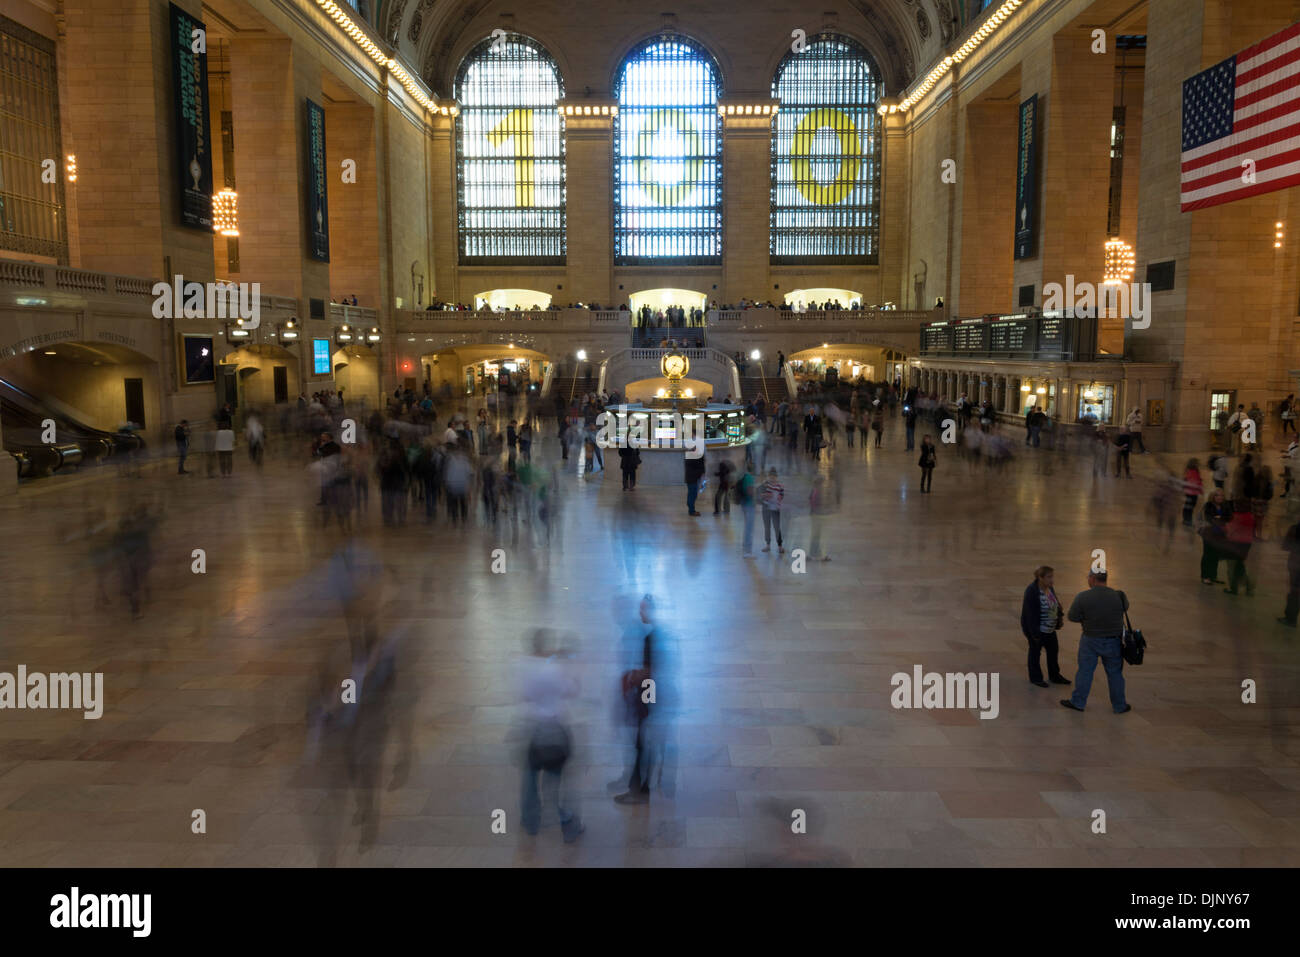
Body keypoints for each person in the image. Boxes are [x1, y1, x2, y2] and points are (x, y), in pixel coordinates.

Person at [518, 628, 583, 842]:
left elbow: (525, 695)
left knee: (530, 776)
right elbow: (572, 690)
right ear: (546, 647)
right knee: (560, 780)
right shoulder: (554, 670)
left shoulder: (526, 667)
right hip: (556, 731)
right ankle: (568, 824)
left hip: (535, 731)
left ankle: (530, 821)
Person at [1060, 570, 1132, 714]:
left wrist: (1086, 618)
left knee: (1085, 672)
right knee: (1115, 674)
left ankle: (1078, 702)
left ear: (1093, 579)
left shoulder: (1083, 597)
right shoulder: (1119, 595)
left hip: (1090, 640)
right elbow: (1125, 608)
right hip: (1113, 641)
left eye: (1088, 578)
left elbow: (1072, 617)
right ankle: (1120, 705)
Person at [1019, 566, 1069, 688]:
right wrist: (1034, 634)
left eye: (1052, 576)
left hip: (1050, 629)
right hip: (1038, 630)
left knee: (1053, 653)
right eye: (1049, 577)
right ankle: (1036, 678)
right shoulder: (1032, 591)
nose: (1052, 580)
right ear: (1040, 578)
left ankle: (1054, 675)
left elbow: (1055, 604)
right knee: (1035, 654)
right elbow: (1029, 614)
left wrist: (1059, 616)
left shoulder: (1049, 588)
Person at [1221, 504, 1256, 596]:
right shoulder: (1250, 516)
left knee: (1232, 567)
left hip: (1234, 544)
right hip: (1246, 545)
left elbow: (1229, 531)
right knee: (1239, 566)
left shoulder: (1237, 516)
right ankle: (1248, 586)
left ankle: (1234, 588)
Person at [1199, 489, 1231, 585]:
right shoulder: (1208, 505)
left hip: (1220, 534)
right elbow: (1209, 518)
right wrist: (1220, 519)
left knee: (1216, 555)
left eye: (1221, 495)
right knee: (1208, 555)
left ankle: (1213, 576)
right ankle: (1205, 576)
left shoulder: (1225, 506)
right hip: (1209, 533)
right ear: (1213, 496)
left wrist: (1219, 518)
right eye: (1217, 495)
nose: (1220, 497)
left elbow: (1229, 517)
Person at [1278, 519, 1300, 626]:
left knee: (1294, 591)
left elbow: (1288, 545)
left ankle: (1291, 618)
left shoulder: (1296, 527)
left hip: (1297, 562)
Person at [759, 467, 784, 553]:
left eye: (774, 476)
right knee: (767, 527)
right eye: (771, 476)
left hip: (775, 509)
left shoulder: (779, 486)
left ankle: (780, 545)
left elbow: (782, 495)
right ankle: (768, 545)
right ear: (768, 476)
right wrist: (765, 495)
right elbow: (759, 494)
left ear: (776, 477)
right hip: (766, 508)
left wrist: (778, 500)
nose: (772, 478)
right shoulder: (765, 485)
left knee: (777, 527)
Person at [808, 474, 832, 562]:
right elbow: (816, 505)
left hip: (815, 516)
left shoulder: (814, 491)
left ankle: (814, 554)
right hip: (817, 516)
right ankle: (820, 555)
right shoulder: (817, 492)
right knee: (818, 536)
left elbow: (811, 503)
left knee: (816, 536)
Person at [736, 461, 757, 557]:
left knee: (747, 527)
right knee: (749, 528)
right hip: (749, 505)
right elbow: (750, 491)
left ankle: (745, 546)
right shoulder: (750, 478)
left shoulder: (745, 476)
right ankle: (747, 551)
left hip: (744, 504)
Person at [1181, 458, 1203, 527]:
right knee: (1190, 508)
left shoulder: (1188, 471)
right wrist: (1200, 490)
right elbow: (1196, 482)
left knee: (1187, 507)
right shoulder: (1194, 471)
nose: (1198, 464)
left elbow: (1186, 481)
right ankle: (1188, 521)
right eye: (1197, 463)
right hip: (1193, 493)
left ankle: (1186, 520)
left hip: (1189, 492)